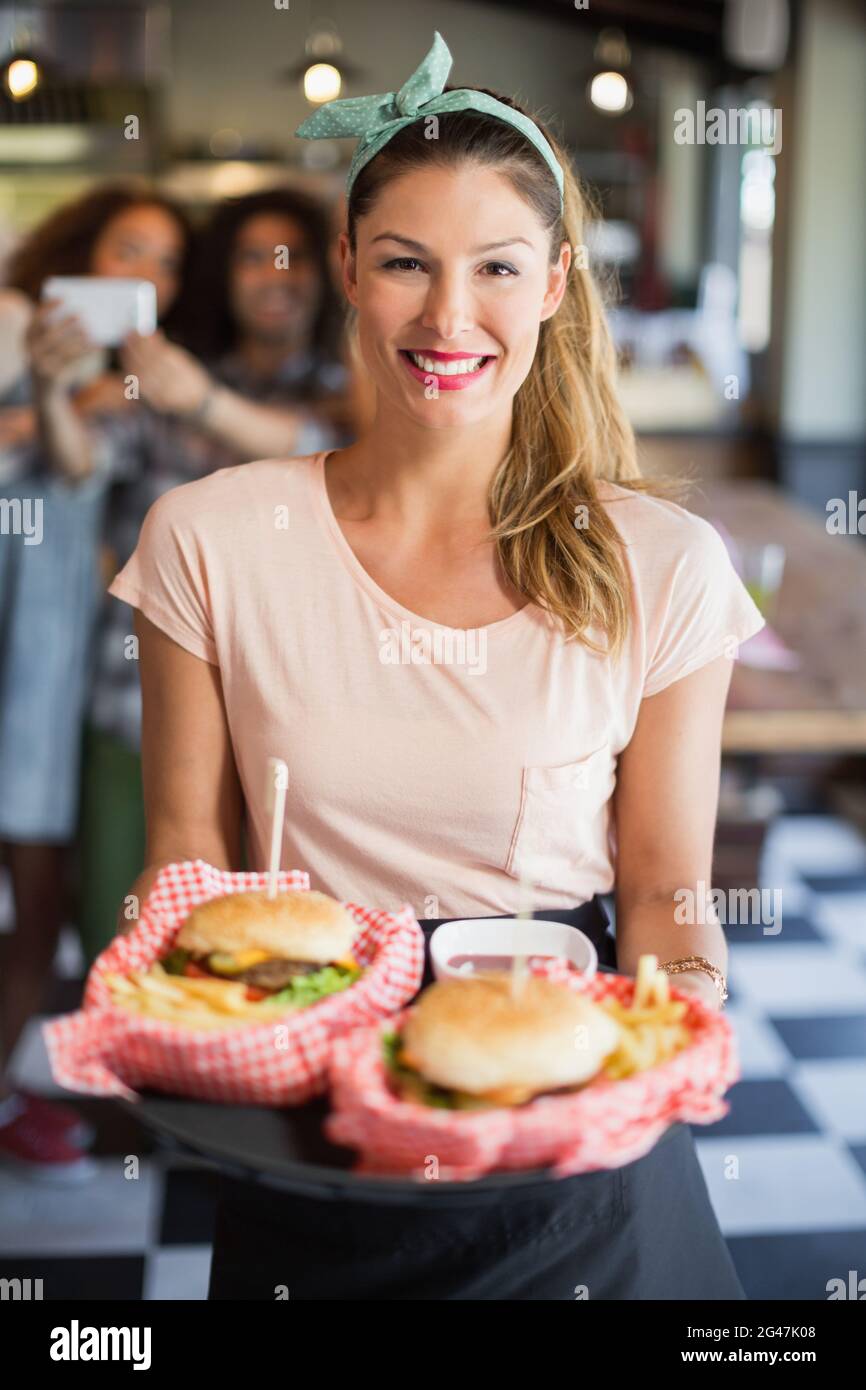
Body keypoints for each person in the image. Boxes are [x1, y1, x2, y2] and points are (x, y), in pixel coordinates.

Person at [107, 32, 764, 1297]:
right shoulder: (208, 537)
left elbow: (668, 887)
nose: (448, 317)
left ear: (557, 284)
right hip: (308, 1122)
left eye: (497, 269)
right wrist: (171, 1006)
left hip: (572, 1129)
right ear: (347, 268)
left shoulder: (666, 564)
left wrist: (670, 1018)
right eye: (405, 263)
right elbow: (184, 861)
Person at [38, 187, 354, 965]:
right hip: (133, 706)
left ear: (329, 273)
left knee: (278, 952)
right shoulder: (162, 382)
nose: (274, 275)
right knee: (131, 943)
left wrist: (202, 402)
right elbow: (81, 463)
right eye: (251, 257)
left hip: (299, 720)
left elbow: (322, 449)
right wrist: (51, 390)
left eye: (292, 257)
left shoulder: (355, 389)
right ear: (223, 276)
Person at [0, 184, 193, 1181]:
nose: (143, 279)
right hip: (24, 657)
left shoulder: (126, 384)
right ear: (81, 248)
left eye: (163, 264)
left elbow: (77, 470)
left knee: (47, 897)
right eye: (127, 250)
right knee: (37, 899)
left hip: (53, 673)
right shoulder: (16, 321)